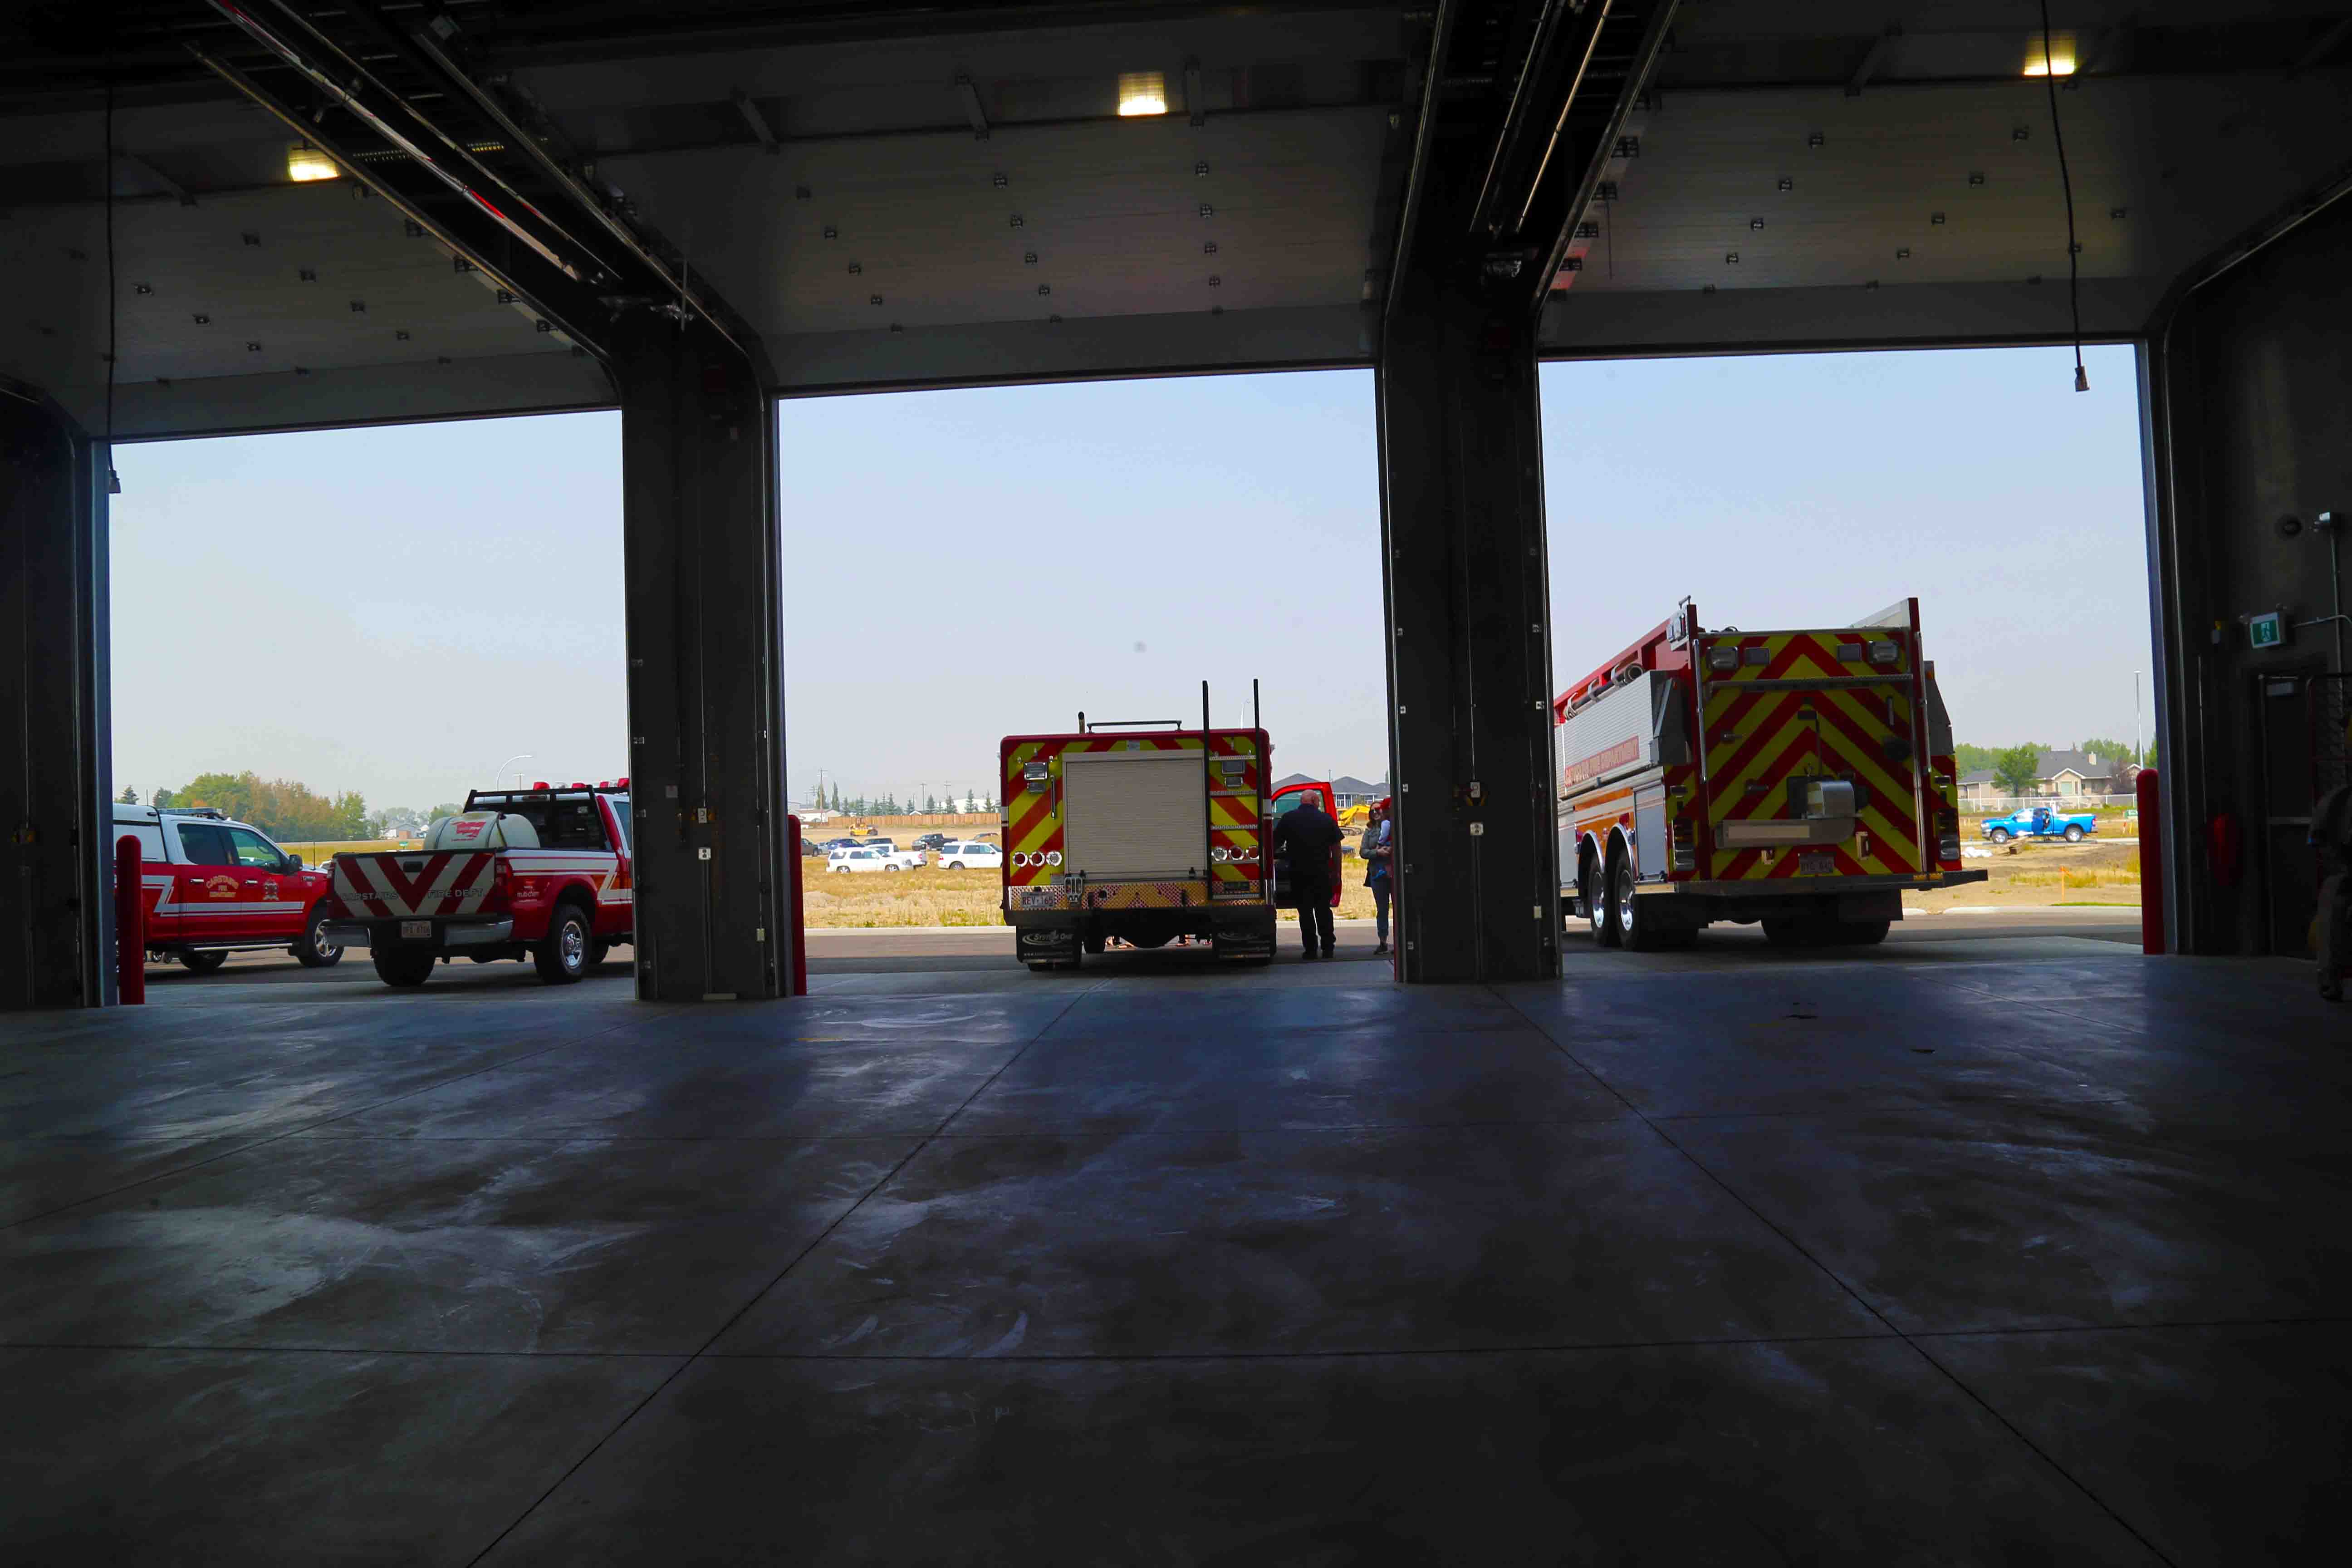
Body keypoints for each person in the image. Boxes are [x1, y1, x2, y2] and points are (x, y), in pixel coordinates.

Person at [1273, 794, 1342, 960]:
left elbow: (1275, 844)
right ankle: (1328, 948)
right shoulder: (1326, 819)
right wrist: (1337, 873)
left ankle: (1310, 950)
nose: (1319, 804)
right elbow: (1336, 848)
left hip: (1298, 873)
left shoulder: (1288, 819)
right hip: (1322, 873)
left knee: (1305, 913)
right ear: (1313, 802)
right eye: (1318, 801)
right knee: (1323, 911)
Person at [1363, 800, 1394, 956]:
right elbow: (1363, 852)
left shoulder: (1393, 826)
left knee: (1399, 909)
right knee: (1382, 909)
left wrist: (1392, 850)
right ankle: (1383, 942)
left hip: (1394, 873)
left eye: (1377, 810)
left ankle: (1400, 941)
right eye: (1372, 811)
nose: (1375, 813)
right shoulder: (1369, 831)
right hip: (1377, 873)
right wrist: (1378, 853)